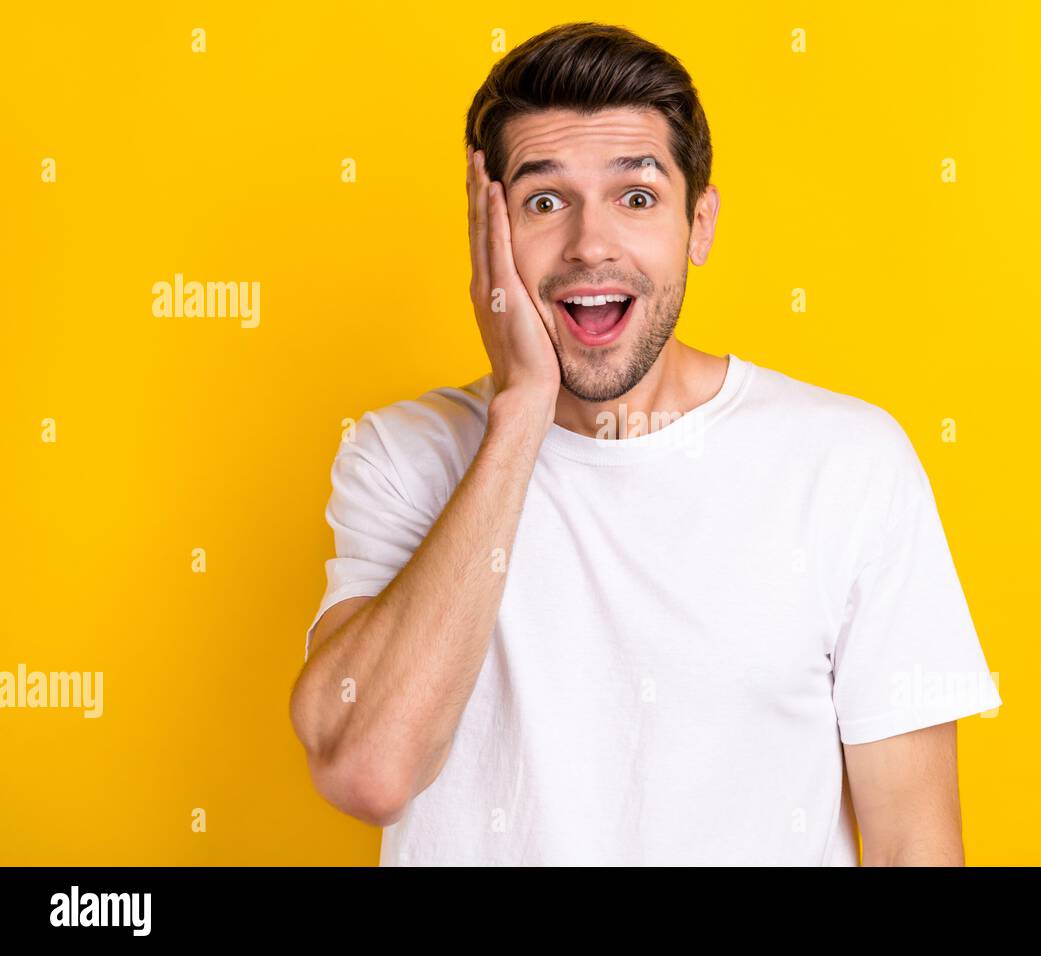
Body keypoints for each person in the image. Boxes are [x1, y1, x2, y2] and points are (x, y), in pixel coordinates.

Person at [289, 21, 1002, 866]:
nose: (592, 243)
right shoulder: (401, 458)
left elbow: (913, 847)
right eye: (544, 201)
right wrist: (520, 413)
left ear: (699, 225)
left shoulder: (848, 464)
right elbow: (368, 770)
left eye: (636, 197)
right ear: (490, 237)